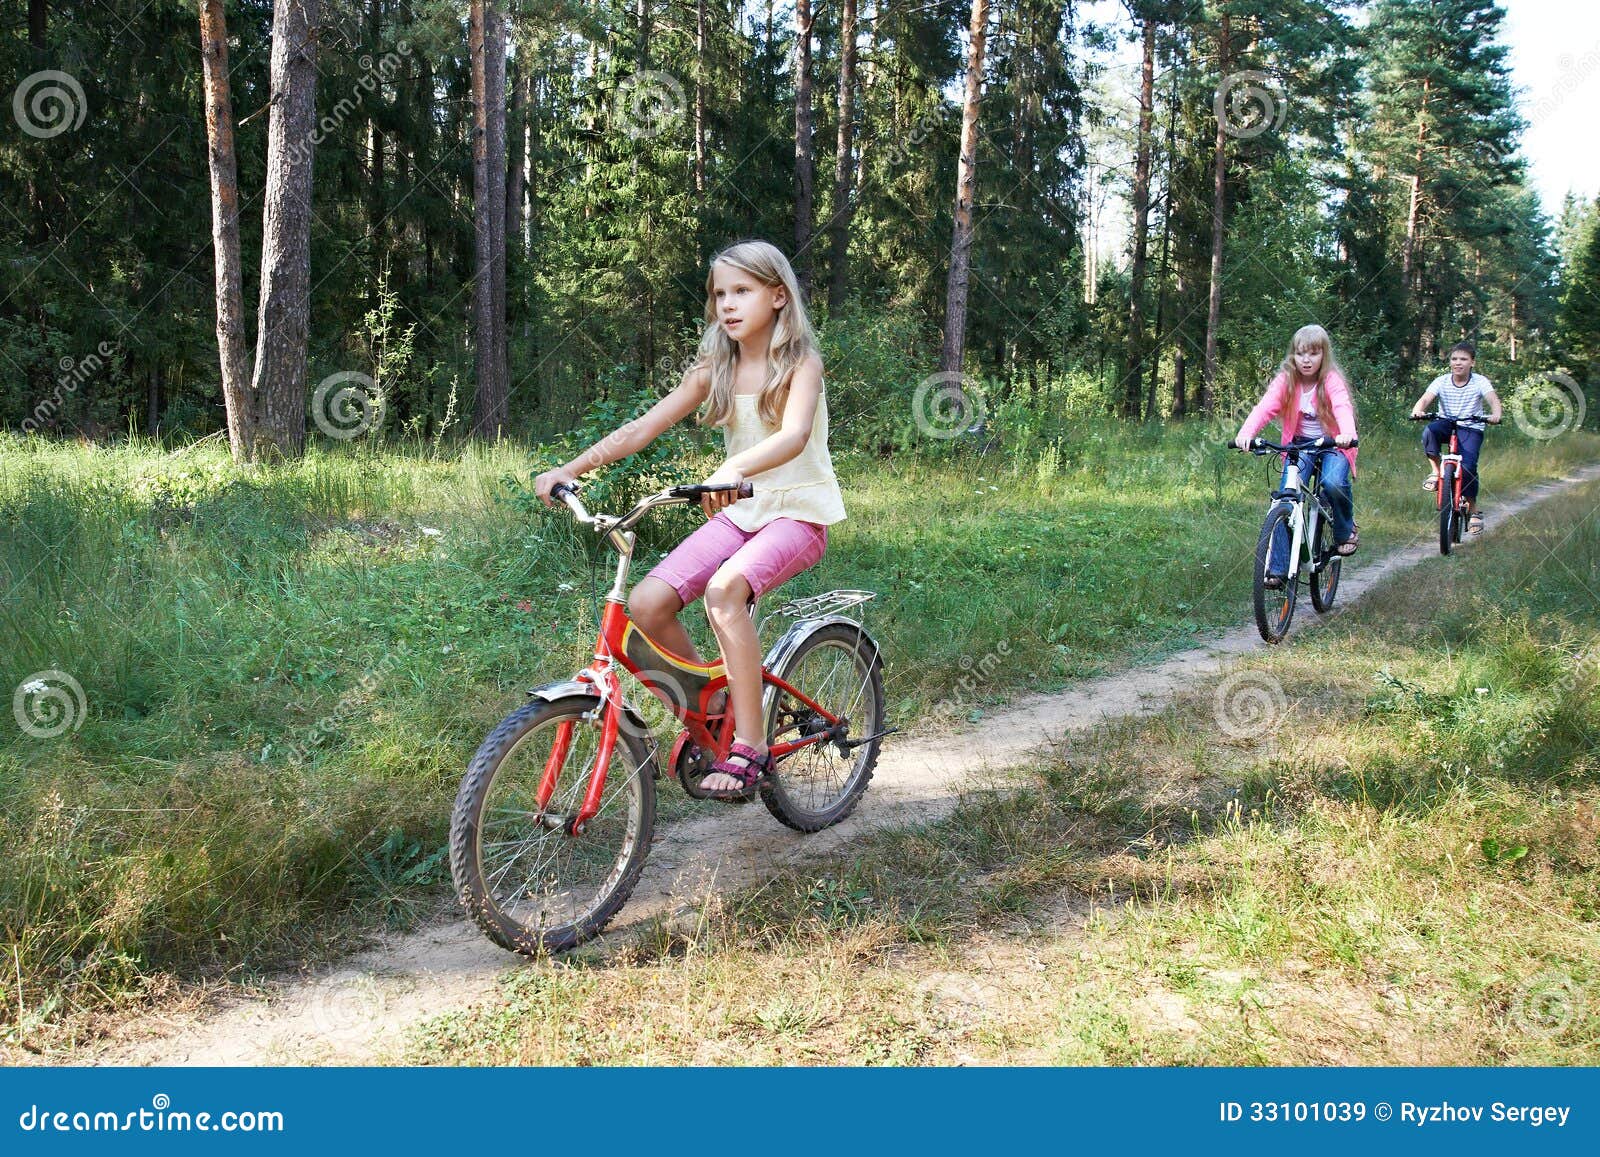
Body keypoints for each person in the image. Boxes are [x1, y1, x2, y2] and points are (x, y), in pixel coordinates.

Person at [534, 240, 845, 800]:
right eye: (719, 294)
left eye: (742, 291)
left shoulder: (801, 364)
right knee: (648, 603)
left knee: (725, 592)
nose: (728, 304)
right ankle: (717, 708)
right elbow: (641, 429)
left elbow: (794, 435)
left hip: (797, 513)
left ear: (778, 297)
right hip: (742, 511)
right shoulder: (715, 368)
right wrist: (569, 467)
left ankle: (750, 742)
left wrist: (733, 466)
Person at [1234, 324, 1359, 588]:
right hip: (1299, 445)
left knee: (1333, 482)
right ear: (1293, 355)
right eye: (1301, 353)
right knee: (1286, 499)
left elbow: (1343, 407)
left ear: (1323, 356)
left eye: (1313, 354)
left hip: (1333, 442)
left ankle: (1345, 530)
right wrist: (1246, 433)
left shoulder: (1331, 381)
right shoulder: (1286, 380)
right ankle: (1278, 569)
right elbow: (1264, 408)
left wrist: (1347, 432)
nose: (1306, 359)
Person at [1410, 341, 1503, 534]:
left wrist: (1495, 415)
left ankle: (1474, 510)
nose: (1458, 363)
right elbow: (1426, 398)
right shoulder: (1442, 381)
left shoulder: (1480, 381)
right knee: (1430, 431)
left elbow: (1493, 399)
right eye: (1454, 359)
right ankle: (1436, 472)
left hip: (1470, 426)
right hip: (1447, 423)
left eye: (1463, 359)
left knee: (1468, 467)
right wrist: (1418, 410)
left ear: (1472, 363)